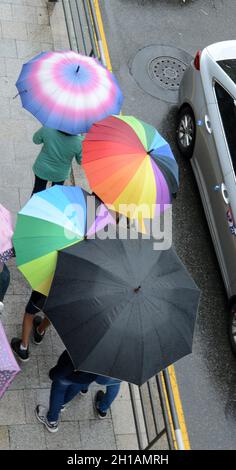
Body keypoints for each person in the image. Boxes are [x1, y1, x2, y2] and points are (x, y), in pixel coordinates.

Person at [35, 350, 121, 433]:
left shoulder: (89, 343)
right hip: (86, 377)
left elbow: (63, 369)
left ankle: (52, 420)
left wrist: (53, 374)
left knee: (58, 391)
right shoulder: (116, 353)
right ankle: (61, 404)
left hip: (69, 373)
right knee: (75, 388)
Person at [31, 127, 83, 195]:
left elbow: (35, 140)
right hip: (60, 174)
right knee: (55, 196)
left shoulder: (48, 128)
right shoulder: (79, 142)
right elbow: (80, 161)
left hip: (42, 169)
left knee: (37, 191)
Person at [11, 291, 50, 361]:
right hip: (63, 292)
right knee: (53, 311)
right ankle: (39, 332)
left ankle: (23, 347)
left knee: (30, 312)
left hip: (45, 289)